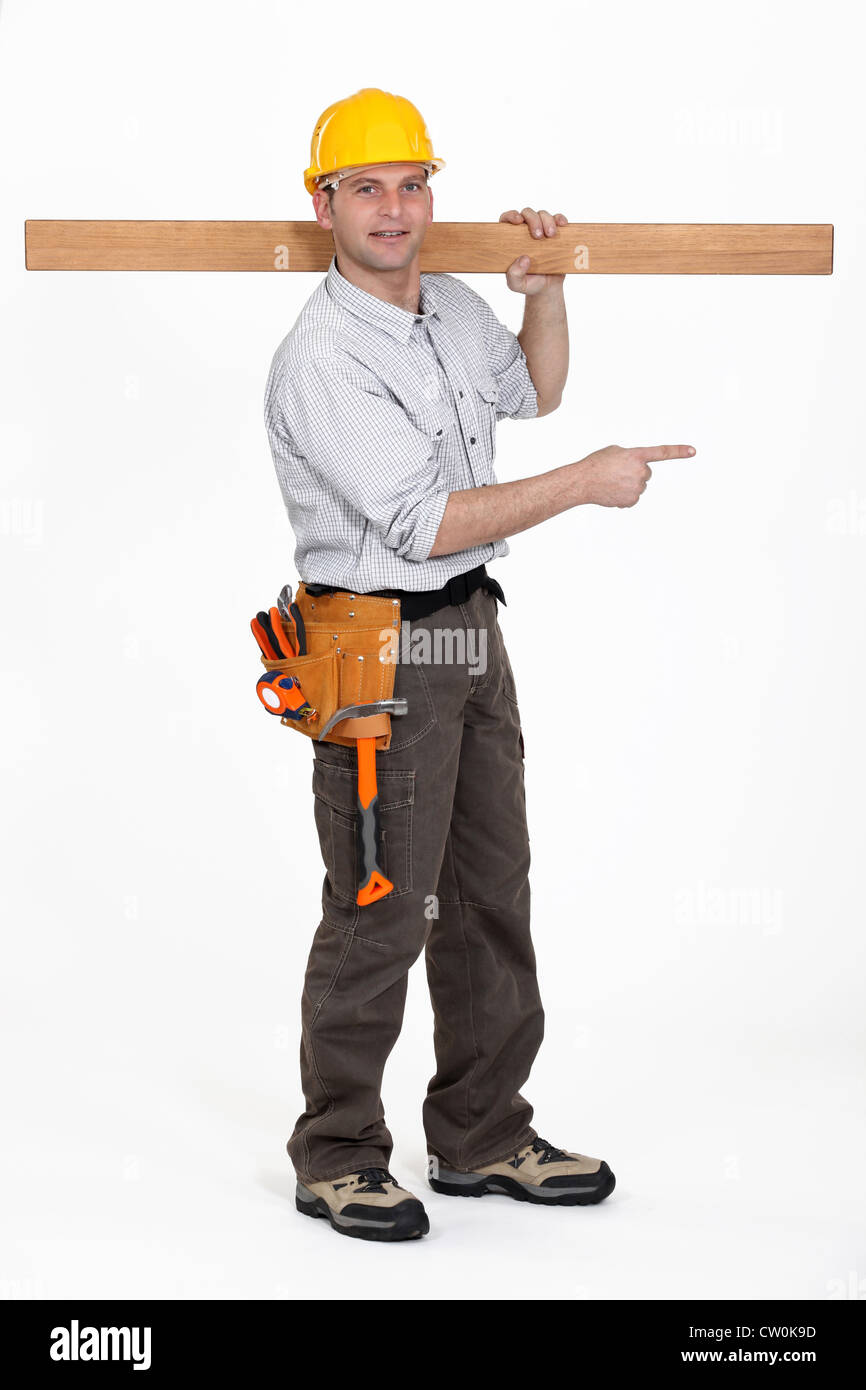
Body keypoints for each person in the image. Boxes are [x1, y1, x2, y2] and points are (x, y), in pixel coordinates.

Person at [263, 87, 695, 1242]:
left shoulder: (448, 305)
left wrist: (543, 292)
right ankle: (339, 1153)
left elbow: (533, 389)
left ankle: (483, 1130)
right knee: (378, 908)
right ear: (323, 205)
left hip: (466, 629)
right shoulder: (320, 358)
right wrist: (584, 484)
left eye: (409, 184)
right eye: (366, 187)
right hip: (374, 644)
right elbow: (419, 521)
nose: (394, 209)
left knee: (490, 892)